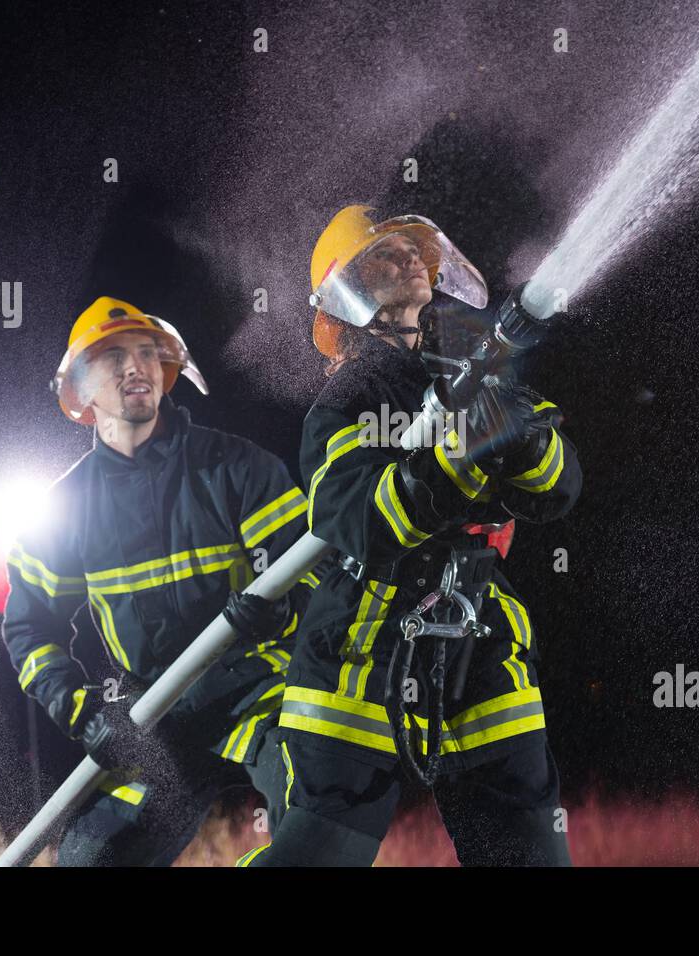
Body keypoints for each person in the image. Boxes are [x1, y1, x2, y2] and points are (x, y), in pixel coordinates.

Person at [240, 205, 581, 866]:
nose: (409, 263)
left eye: (415, 253)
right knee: (320, 853)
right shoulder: (348, 401)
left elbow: (560, 489)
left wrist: (530, 442)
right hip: (361, 646)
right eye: (387, 256)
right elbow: (360, 520)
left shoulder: (480, 374)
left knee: (527, 851)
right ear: (351, 293)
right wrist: (453, 461)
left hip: (481, 635)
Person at [2, 295, 317, 866]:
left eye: (147, 353)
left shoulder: (238, 467)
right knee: (90, 859)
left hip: (265, 692)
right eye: (114, 357)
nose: (136, 366)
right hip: (160, 713)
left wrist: (285, 611)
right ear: (81, 391)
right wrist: (86, 712)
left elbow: (317, 575)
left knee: (311, 820)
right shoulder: (66, 509)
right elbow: (30, 628)